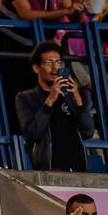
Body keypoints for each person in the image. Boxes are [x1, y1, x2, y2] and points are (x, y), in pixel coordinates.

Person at [15, 40, 94, 172]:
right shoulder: (25, 97)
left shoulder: (70, 96)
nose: (55, 68)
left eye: (58, 62)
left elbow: (88, 132)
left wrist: (78, 100)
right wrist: (51, 99)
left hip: (78, 170)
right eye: (49, 63)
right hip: (50, 170)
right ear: (36, 68)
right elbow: (32, 133)